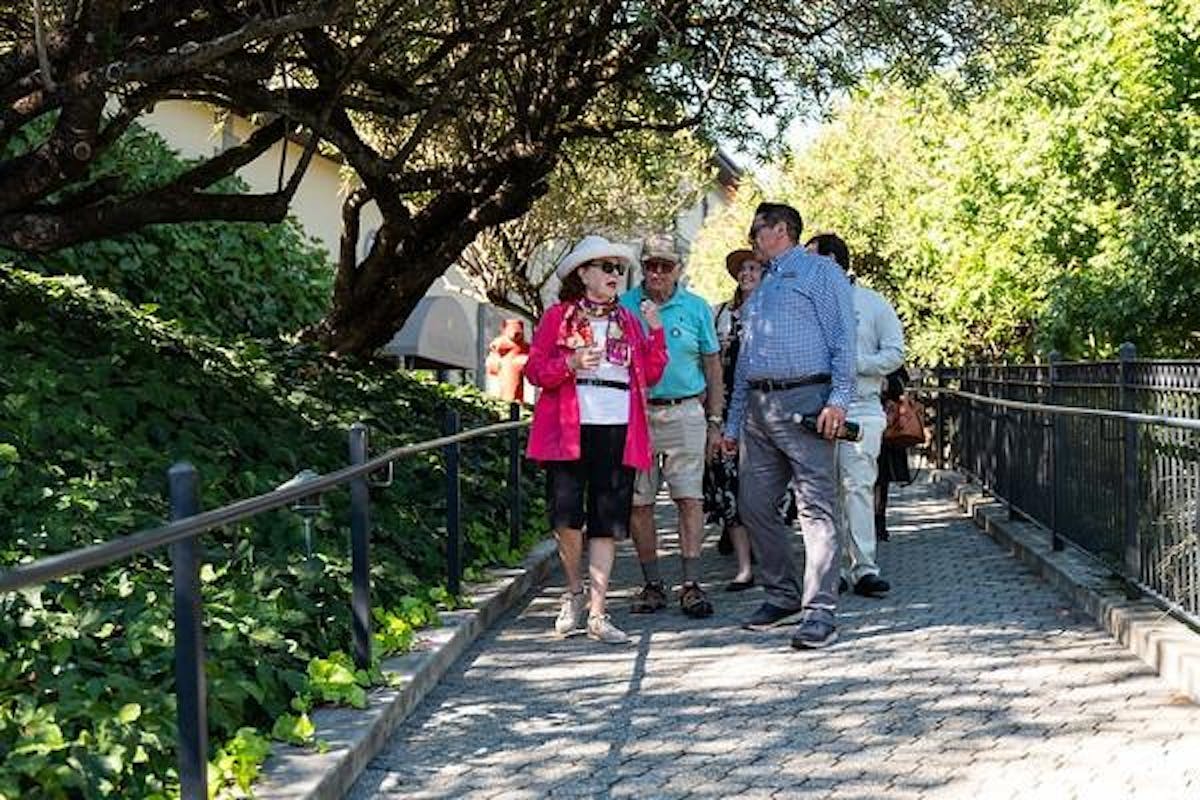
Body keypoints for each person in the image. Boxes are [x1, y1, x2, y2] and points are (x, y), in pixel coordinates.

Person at [721, 202, 856, 650]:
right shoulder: (762, 285)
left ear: (781, 229)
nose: (751, 237)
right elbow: (744, 361)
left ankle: (821, 611)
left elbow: (843, 340)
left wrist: (838, 400)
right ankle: (782, 595)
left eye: (756, 229)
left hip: (806, 400)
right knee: (754, 504)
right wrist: (733, 423)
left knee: (815, 507)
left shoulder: (820, 273)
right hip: (760, 406)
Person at [525, 234, 668, 644]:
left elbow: (652, 372)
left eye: (618, 269)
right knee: (567, 517)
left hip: (617, 428)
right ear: (583, 274)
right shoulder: (559, 317)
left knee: (607, 521)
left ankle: (599, 612)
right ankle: (574, 593)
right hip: (569, 429)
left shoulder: (628, 320)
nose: (614, 275)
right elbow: (536, 370)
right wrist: (570, 362)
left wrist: (656, 333)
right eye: (606, 268)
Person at [620, 234, 724, 618]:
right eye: (651, 266)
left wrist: (715, 421)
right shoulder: (624, 305)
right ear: (642, 267)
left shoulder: (696, 307)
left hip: (685, 412)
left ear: (678, 268)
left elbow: (712, 365)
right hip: (639, 413)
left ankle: (692, 584)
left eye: (666, 265)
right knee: (638, 503)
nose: (658, 273)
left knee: (689, 499)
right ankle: (652, 584)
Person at [806, 233, 904, 598]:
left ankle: (864, 567)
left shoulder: (872, 304)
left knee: (858, 485)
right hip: (816, 407)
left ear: (831, 261)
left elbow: (895, 353)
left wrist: (856, 365)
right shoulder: (806, 303)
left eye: (812, 260)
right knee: (823, 490)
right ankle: (831, 568)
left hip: (861, 406)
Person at [705, 249, 764, 591]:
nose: (747, 274)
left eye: (754, 267)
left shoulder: (776, 312)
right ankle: (743, 566)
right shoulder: (721, 314)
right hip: (728, 412)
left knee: (763, 487)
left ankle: (766, 556)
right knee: (729, 486)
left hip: (764, 411)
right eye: (742, 269)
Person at [876, 366, 913, 541]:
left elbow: (901, 384)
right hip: (875, 425)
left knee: (881, 479)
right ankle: (876, 523)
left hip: (887, 429)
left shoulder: (889, 360)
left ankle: (879, 523)